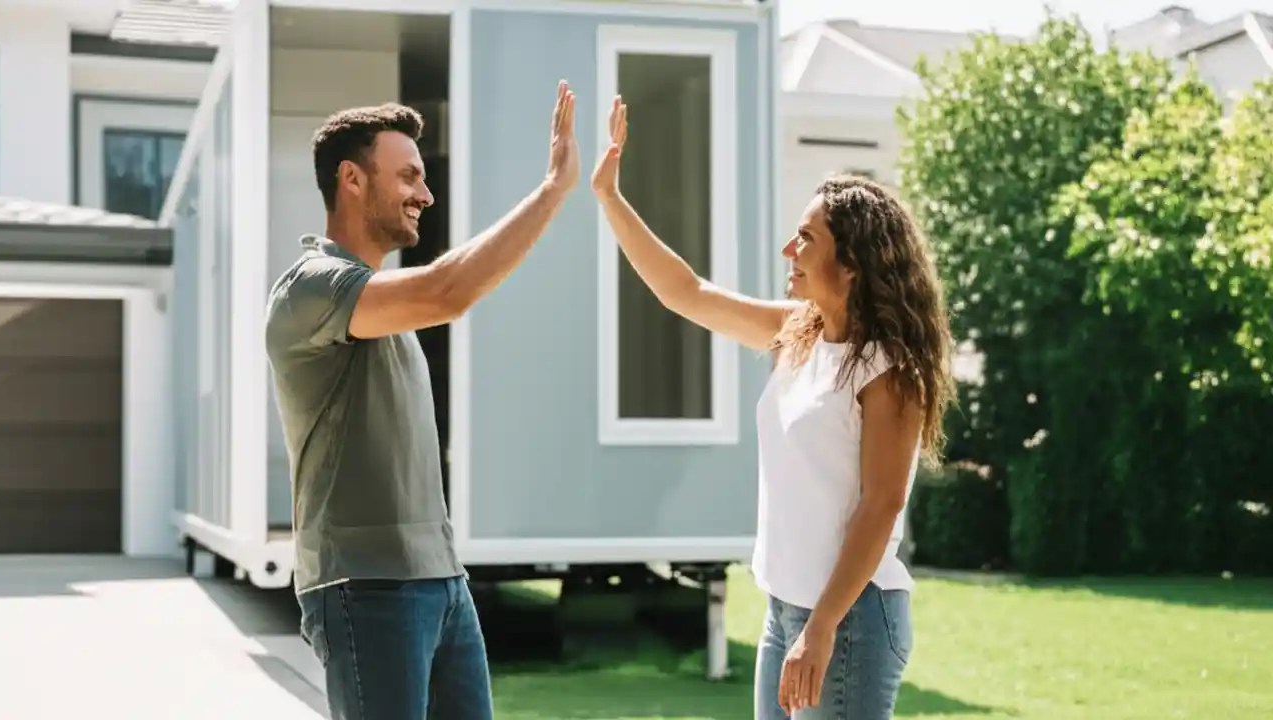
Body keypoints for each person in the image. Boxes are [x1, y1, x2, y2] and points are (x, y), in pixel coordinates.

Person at [590, 96, 954, 719]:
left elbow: (881, 506)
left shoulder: (889, 370)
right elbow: (687, 293)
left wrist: (822, 627)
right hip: (787, 609)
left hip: (850, 618)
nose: (789, 250)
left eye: (806, 239)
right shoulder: (800, 331)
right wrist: (610, 198)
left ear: (853, 263)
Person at [264, 81, 579, 719]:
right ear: (352, 179)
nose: (425, 195)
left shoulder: (380, 301)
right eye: (408, 176)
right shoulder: (312, 289)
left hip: (440, 579)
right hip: (366, 583)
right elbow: (447, 291)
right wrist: (552, 191)